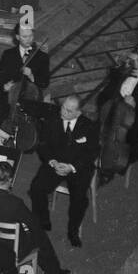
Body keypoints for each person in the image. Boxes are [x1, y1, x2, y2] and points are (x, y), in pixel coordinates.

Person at [0, 161, 74, 274]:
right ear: (10, 180)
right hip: (11, 248)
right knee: (40, 236)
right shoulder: (15, 203)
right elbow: (34, 225)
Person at [28, 94, 100, 248]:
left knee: (79, 200)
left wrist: (71, 167)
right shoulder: (52, 120)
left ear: (78, 113)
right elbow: (43, 145)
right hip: (55, 163)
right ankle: (43, 220)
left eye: (68, 111)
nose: (63, 113)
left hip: (77, 168)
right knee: (36, 188)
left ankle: (73, 231)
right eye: (62, 108)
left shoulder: (89, 126)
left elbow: (92, 153)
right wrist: (52, 161)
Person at [98, 49, 138, 183]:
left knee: (121, 138)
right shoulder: (124, 74)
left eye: (135, 61)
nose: (132, 64)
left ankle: (110, 167)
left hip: (133, 120)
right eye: (130, 61)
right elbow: (102, 97)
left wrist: (135, 104)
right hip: (113, 114)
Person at [0, 25, 51, 125]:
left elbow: (45, 83)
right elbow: (0, 77)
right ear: (17, 37)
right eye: (24, 37)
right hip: (10, 95)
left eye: (30, 36)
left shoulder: (42, 57)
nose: (28, 39)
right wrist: (4, 86)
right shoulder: (8, 54)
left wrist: (31, 75)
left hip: (31, 99)